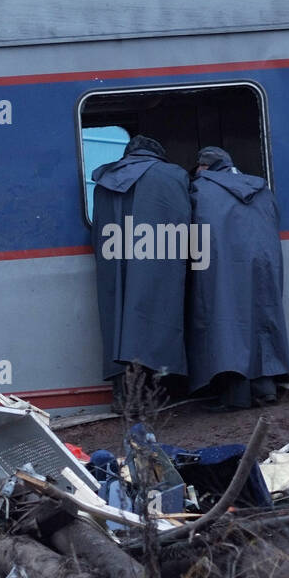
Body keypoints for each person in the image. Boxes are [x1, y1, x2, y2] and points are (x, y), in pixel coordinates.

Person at [187, 145, 289, 410]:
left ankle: (236, 396)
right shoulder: (261, 188)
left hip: (223, 264)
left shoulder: (202, 189)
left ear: (204, 167)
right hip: (264, 263)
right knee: (261, 319)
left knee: (227, 324)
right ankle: (265, 388)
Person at [91, 135, 191, 408]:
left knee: (119, 321)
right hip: (160, 258)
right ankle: (157, 396)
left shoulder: (104, 182)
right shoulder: (172, 176)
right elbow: (185, 223)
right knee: (157, 319)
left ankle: (125, 398)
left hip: (113, 261)